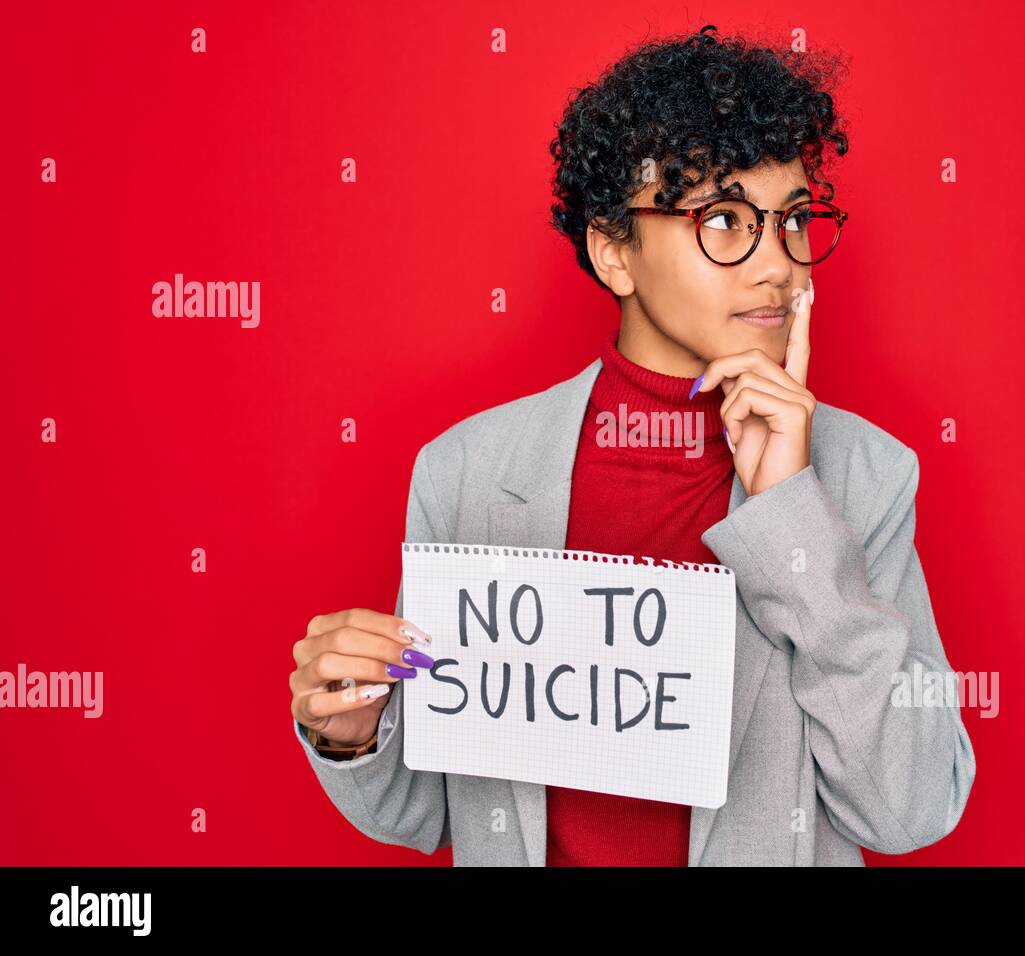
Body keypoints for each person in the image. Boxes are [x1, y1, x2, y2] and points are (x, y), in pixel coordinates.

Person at [289, 23, 975, 866]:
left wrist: (792, 512)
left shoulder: (866, 475)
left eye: (793, 220)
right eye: (724, 219)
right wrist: (354, 732)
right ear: (615, 252)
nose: (779, 266)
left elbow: (912, 810)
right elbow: (424, 807)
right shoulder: (466, 472)